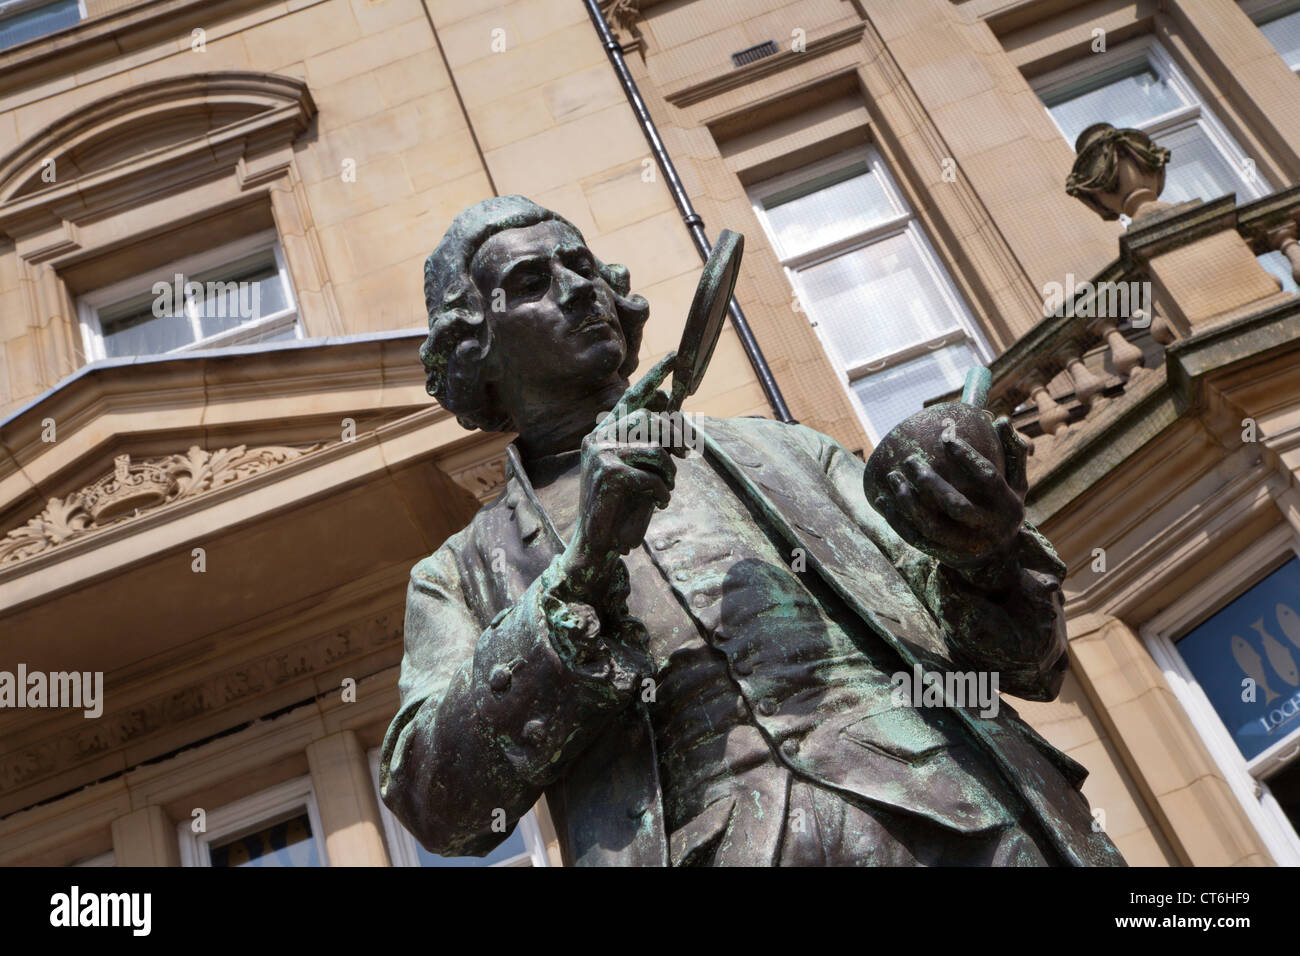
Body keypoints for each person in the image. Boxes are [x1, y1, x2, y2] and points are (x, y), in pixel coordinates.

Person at [379, 195, 1125, 866]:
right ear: (476, 347)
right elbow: (440, 806)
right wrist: (583, 566)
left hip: (957, 819)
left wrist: (985, 550)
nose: (580, 289)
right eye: (533, 283)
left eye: (582, 266)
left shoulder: (783, 450)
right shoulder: (459, 572)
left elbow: (1026, 664)